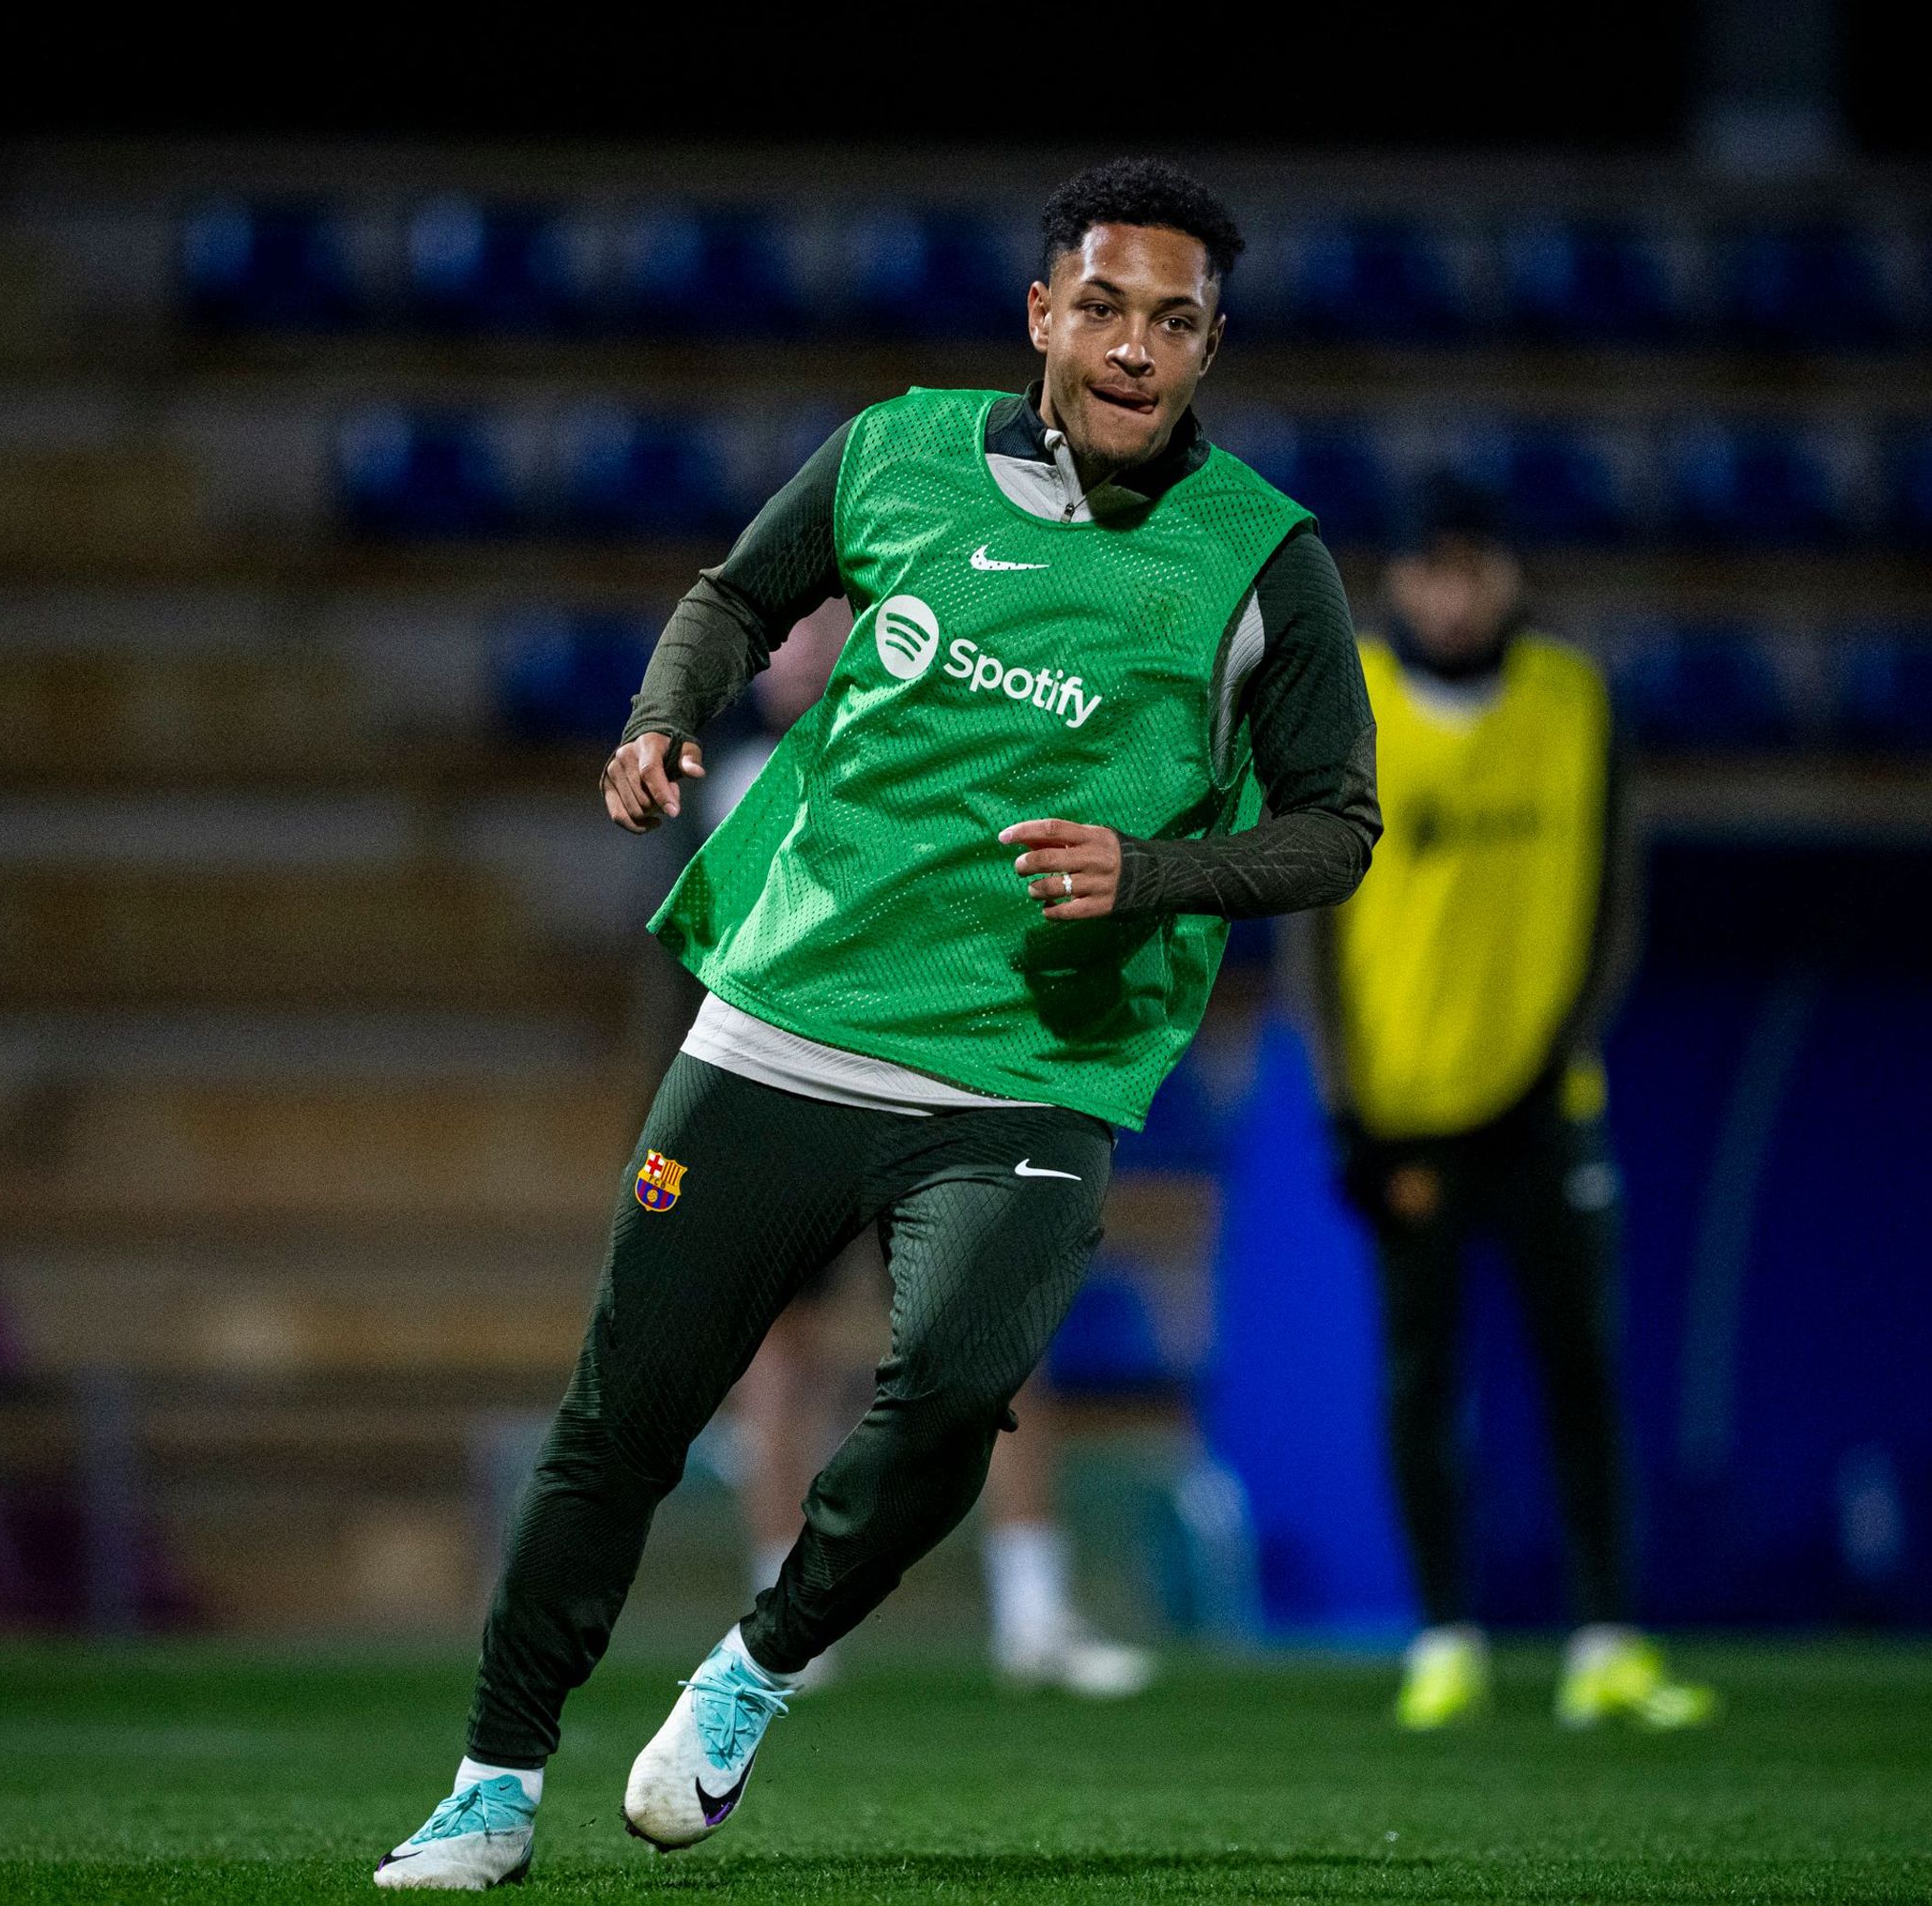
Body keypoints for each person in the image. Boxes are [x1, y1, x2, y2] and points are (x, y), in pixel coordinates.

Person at [377, 157, 1378, 1889]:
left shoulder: (1267, 566)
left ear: (1216, 343)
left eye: (1178, 320)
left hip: (1028, 1068)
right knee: (620, 1419)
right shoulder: (896, 450)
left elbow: (1337, 824)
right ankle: (492, 1785)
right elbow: (732, 598)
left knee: (958, 1391)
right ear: (1042, 314)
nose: (1137, 347)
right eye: (1107, 306)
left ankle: (753, 1671)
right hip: (781, 1024)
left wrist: (1153, 872)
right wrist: (662, 717)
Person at [1303, 489, 1711, 1733]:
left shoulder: (1574, 701)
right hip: (1408, 1112)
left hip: (1544, 1103)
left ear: (1510, 577)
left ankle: (1605, 1642)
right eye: (1431, 571)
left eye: (1472, 568)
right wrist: (1347, 1113)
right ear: (1402, 583)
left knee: (1580, 1373)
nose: (1451, 594)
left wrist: (1563, 1047)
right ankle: (1445, 1639)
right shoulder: (1348, 706)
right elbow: (1315, 924)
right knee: (1424, 1382)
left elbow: (1614, 895)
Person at [710, 603, 1155, 1700]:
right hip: (785, 1101)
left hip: (938, 1093)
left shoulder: (941, 750)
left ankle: (1034, 1610)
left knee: (996, 1340)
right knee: (779, 1359)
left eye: (819, 633)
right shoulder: (739, 783)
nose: (790, 656)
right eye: (781, 637)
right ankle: (781, 1624)